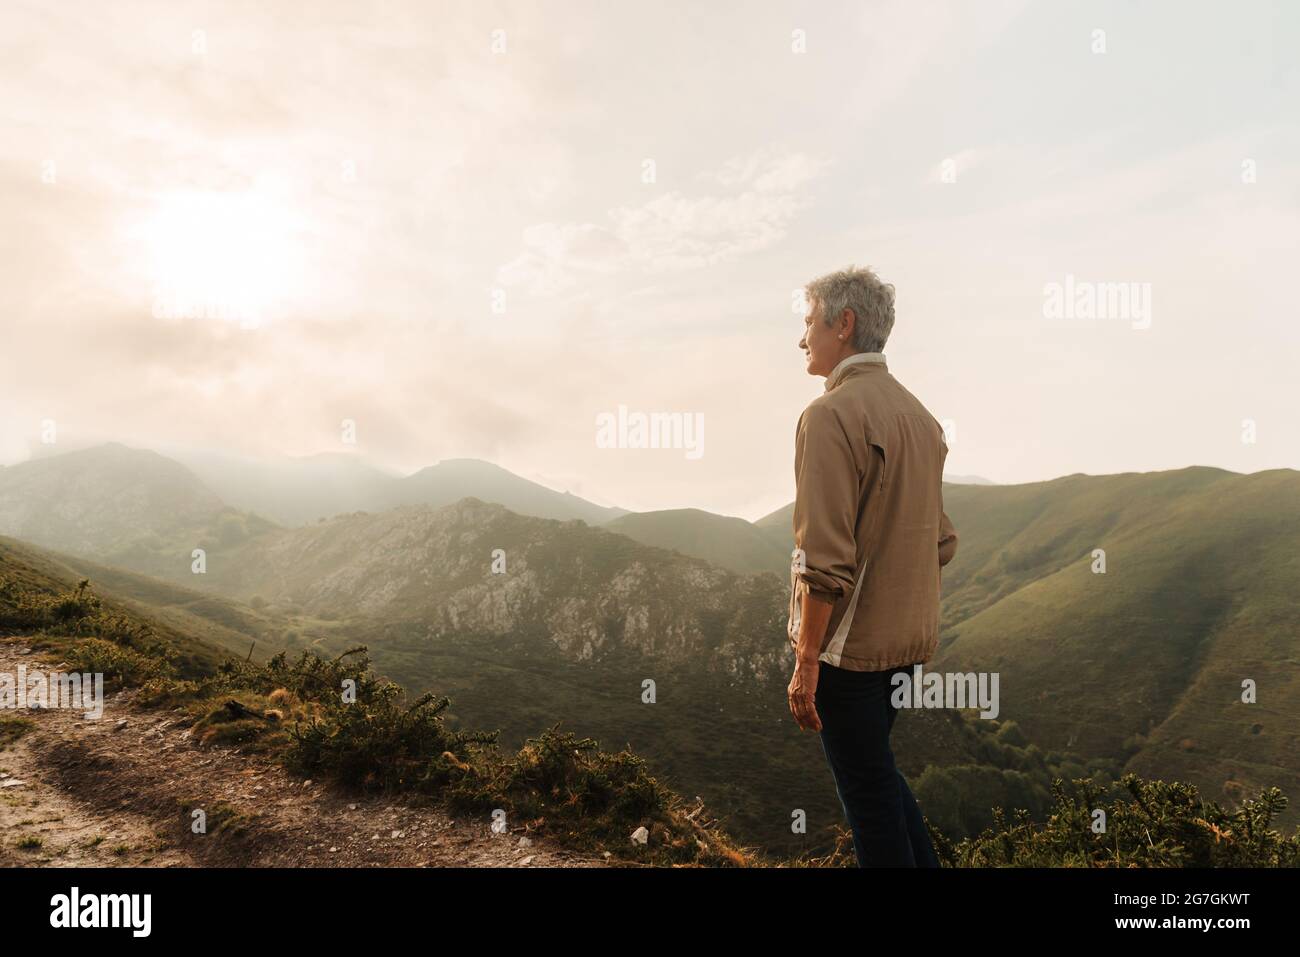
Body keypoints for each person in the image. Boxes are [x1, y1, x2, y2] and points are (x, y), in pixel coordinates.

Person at [786, 264, 958, 867]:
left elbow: (824, 560)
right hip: (908, 644)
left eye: (809, 323)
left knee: (867, 795)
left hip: (848, 652)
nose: (803, 339)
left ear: (845, 324)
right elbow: (940, 541)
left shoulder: (829, 416)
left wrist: (807, 660)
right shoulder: (922, 419)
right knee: (877, 776)